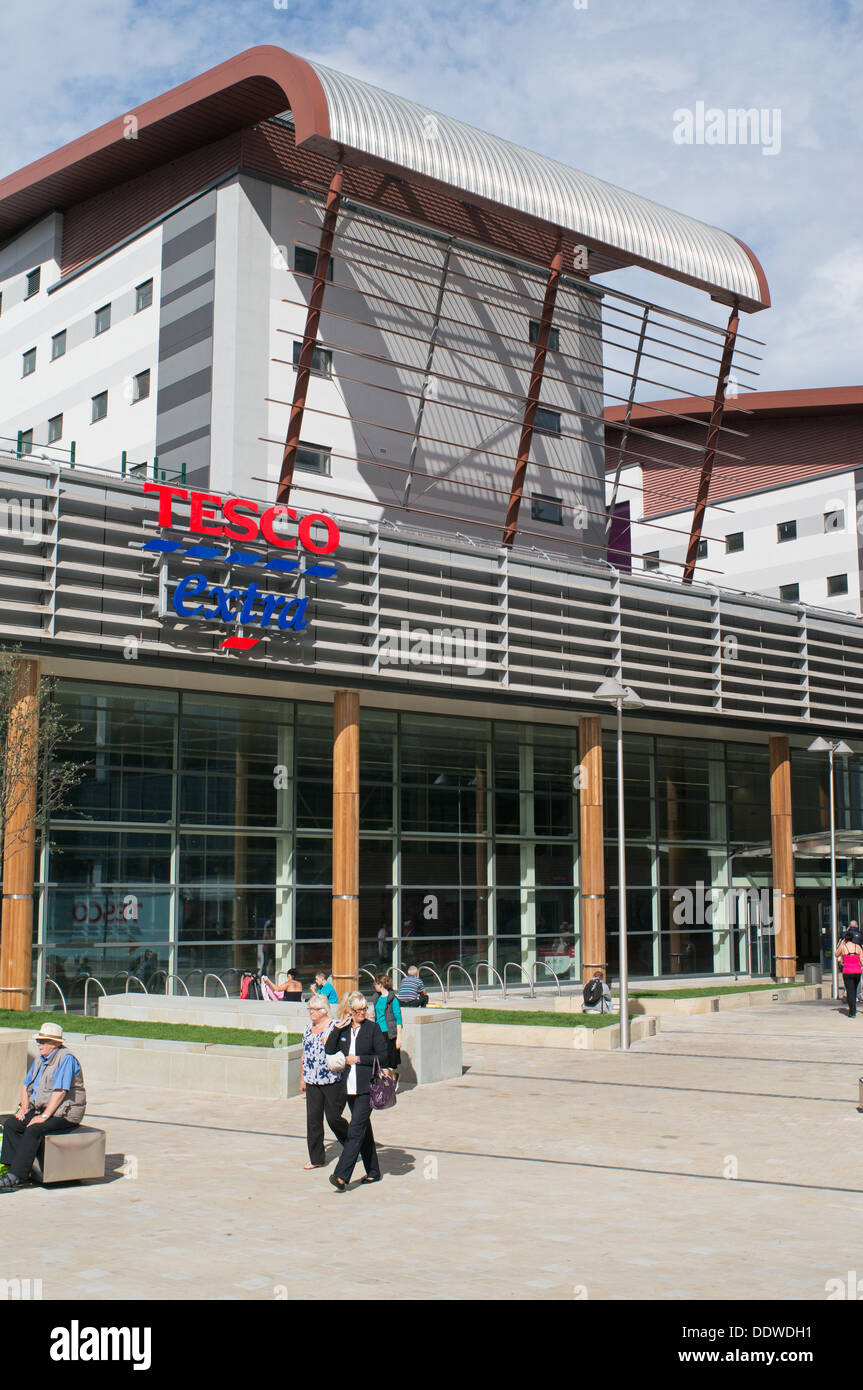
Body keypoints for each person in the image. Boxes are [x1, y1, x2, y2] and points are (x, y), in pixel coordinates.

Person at [0, 1022, 87, 1192]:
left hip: (64, 1113)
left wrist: (44, 1116)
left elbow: (60, 1092)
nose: (39, 1045)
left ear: (55, 1043)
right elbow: (26, 1085)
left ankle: (16, 1177)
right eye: (38, 1041)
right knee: (12, 1124)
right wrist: (24, 1109)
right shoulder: (41, 1059)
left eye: (43, 1041)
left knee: (34, 1129)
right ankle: (12, 1168)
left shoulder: (66, 1058)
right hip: (44, 1109)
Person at [325, 992, 388, 1190]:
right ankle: (373, 1171)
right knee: (363, 1130)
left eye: (364, 1009)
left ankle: (341, 1175)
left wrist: (359, 1059)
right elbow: (329, 1049)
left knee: (354, 1130)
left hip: (366, 1087)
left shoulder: (372, 1028)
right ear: (350, 1011)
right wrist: (337, 1027)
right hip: (349, 1087)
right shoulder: (344, 1030)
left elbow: (383, 1056)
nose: (362, 1013)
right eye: (358, 1010)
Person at [300, 996, 349, 1169]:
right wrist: (303, 1078)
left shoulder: (335, 1027)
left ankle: (352, 1143)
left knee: (333, 1118)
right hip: (312, 1080)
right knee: (313, 1120)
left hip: (332, 1079)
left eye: (314, 1009)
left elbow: (345, 1048)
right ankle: (316, 1158)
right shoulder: (308, 1029)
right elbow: (304, 1055)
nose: (311, 1012)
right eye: (309, 1009)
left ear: (324, 1011)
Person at [373, 973, 403, 1071]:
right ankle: (387, 1083)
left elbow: (398, 1019)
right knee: (381, 1062)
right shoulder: (377, 998)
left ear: (380, 984)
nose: (374, 986)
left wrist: (399, 1038)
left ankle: (393, 1080)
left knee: (389, 1063)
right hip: (378, 1031)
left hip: (388, 1033)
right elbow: (378, 1013)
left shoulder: (393, 999)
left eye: (375, 984)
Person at [835, 929, 863, 1017]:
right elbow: (862, 960)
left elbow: (836, 954)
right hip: (857, 971)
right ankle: (853, 1009)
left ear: (845, 939)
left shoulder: (843, 947)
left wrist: (842, 943)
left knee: (850, 991)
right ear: (853, 939)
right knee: (854, 990)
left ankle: (852, 1012)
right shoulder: (858, 947)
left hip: (847, 971)